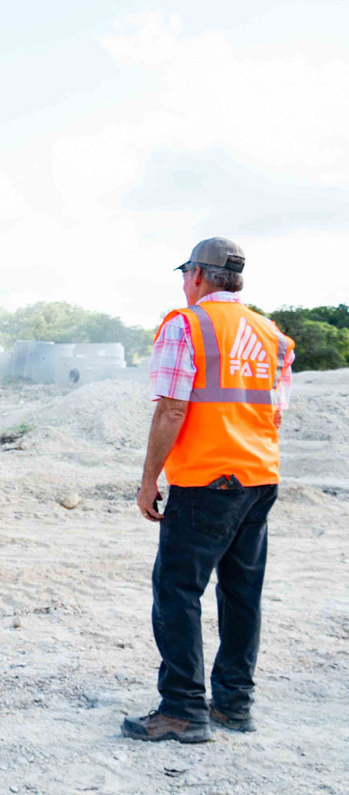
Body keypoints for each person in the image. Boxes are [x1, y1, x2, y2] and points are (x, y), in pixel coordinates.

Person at [123, 237, 296, 743]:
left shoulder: (187, 324)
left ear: (197, 275)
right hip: (259, 479)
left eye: (184, 274)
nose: (183, 283)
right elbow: (275, 413)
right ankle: (233, 706)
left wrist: (149, 478)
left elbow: (172, 409)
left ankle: (181, 710)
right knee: (241, 595)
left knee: (176, 592)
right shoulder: (273, 337)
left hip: (206, 480)